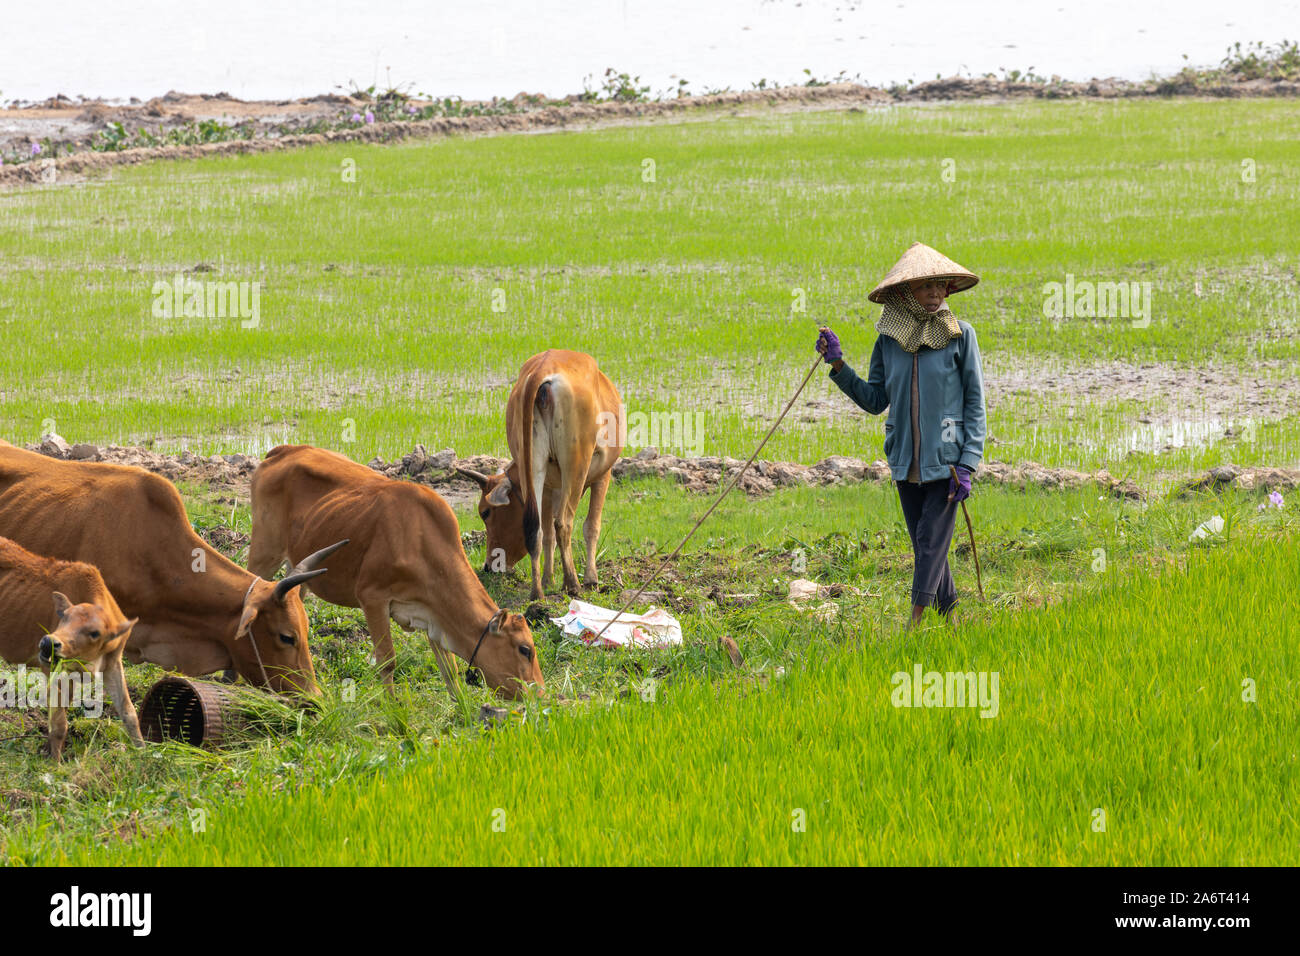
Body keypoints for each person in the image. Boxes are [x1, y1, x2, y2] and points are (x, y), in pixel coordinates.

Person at [815, 242, 986, 627]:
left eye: (940, 286)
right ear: (905, 294)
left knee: (928, 543)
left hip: (948, 465)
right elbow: (876, 400)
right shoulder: (889, 342)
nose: (934, 294)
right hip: (905, 461)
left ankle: (913, 623)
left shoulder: (960, 336)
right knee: (928, 546)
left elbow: (975, 403)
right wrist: (839, 365)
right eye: (925, 287)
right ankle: (953, 620)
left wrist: (969, 462)